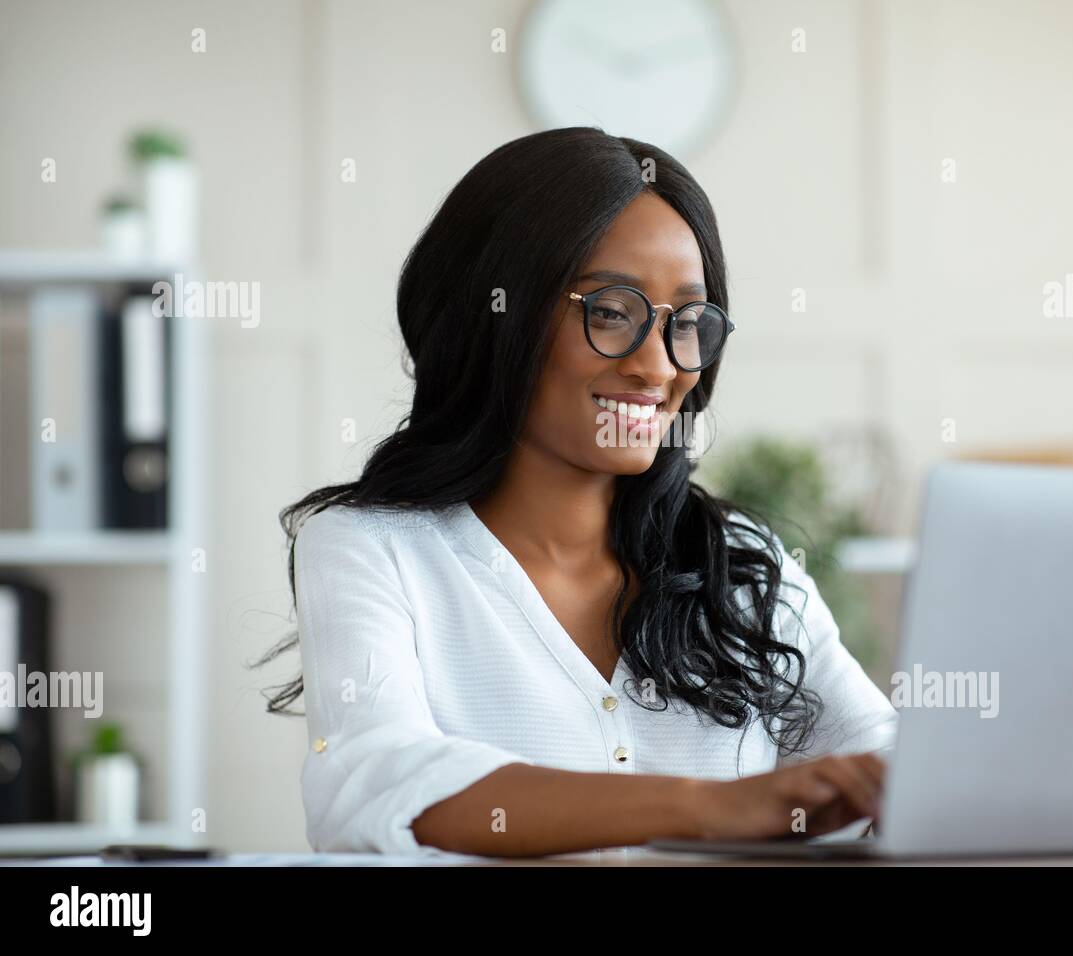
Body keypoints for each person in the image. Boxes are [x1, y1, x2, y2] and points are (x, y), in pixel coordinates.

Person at [265, 127, 897, 857]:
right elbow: (376, 784)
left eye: (686, 323)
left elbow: (890, 766)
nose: (657, 366)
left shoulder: (744, 564)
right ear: (494, 317)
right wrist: (708, 808)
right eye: (610, 312)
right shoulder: (371, 549)